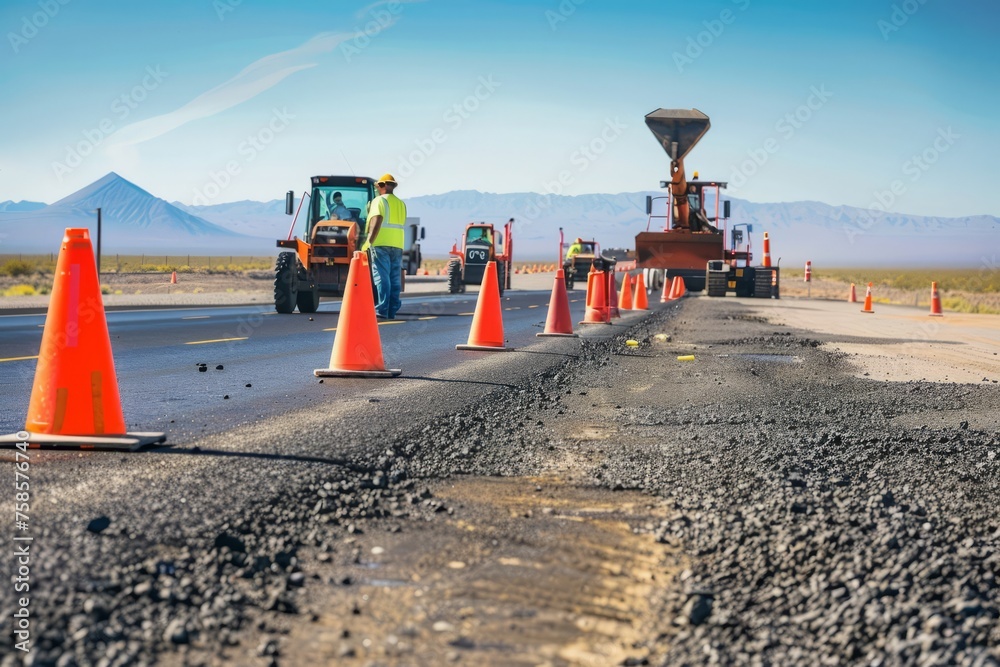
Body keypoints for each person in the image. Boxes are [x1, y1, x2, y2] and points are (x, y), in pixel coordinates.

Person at [362, 173, 407, 320]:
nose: (378, 188)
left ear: (383, 186)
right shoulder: (401, 204)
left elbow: (377, 220)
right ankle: (392, 310)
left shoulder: (379, 201)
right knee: (394, 278)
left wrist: (368, 242)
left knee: (382, 277)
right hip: (397, 244)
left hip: (380, 244)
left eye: (379, 186)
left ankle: (382, 309)